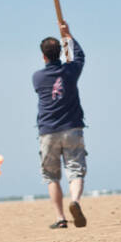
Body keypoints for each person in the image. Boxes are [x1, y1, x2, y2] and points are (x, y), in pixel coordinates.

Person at [33, 21, 88, 228]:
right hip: (72, 127)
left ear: (44, 56)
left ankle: (60, 217)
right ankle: (75, 201)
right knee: (75, 171)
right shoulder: (70, 71)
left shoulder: (38, 77)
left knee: (51, 176)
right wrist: (68, 35)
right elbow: (80, 57)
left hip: (48, 131)